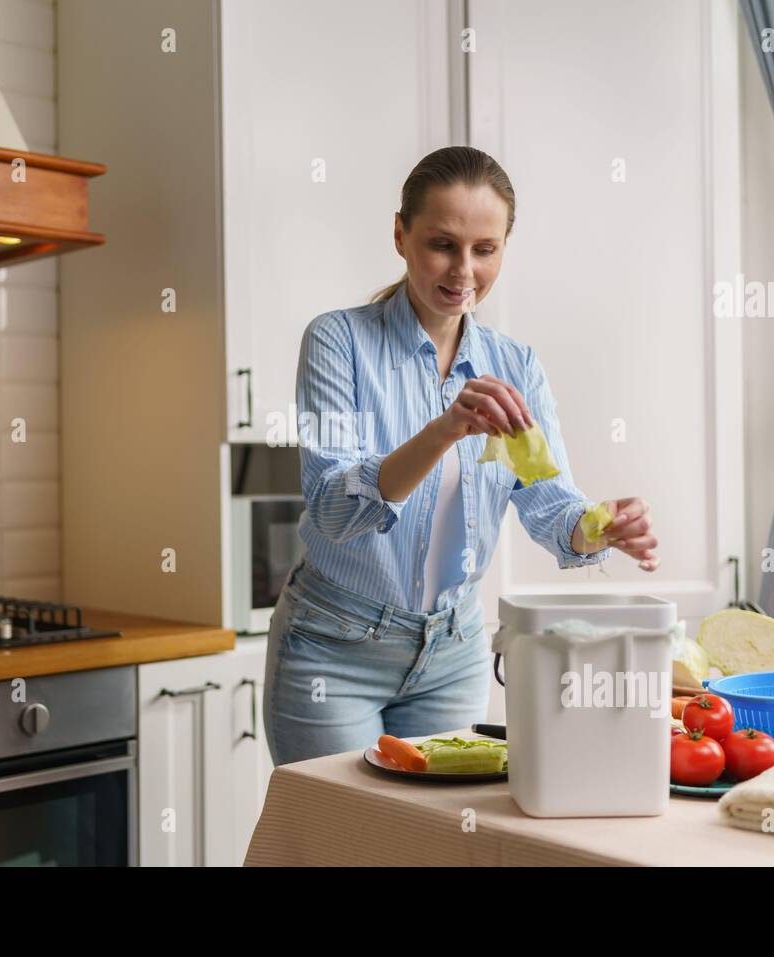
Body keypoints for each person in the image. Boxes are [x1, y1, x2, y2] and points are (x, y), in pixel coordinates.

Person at [262, 145, 658, 766]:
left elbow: (549, 505)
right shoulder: (338, 342)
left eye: (485, 249)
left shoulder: (515, 365)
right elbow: (334, 507)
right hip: (332, 651)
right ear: (400, 234)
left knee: (439, 849)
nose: (464, 272)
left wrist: (602, 527)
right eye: (442, 245)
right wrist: (446, 429)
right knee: (346, 847)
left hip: (452, 655)